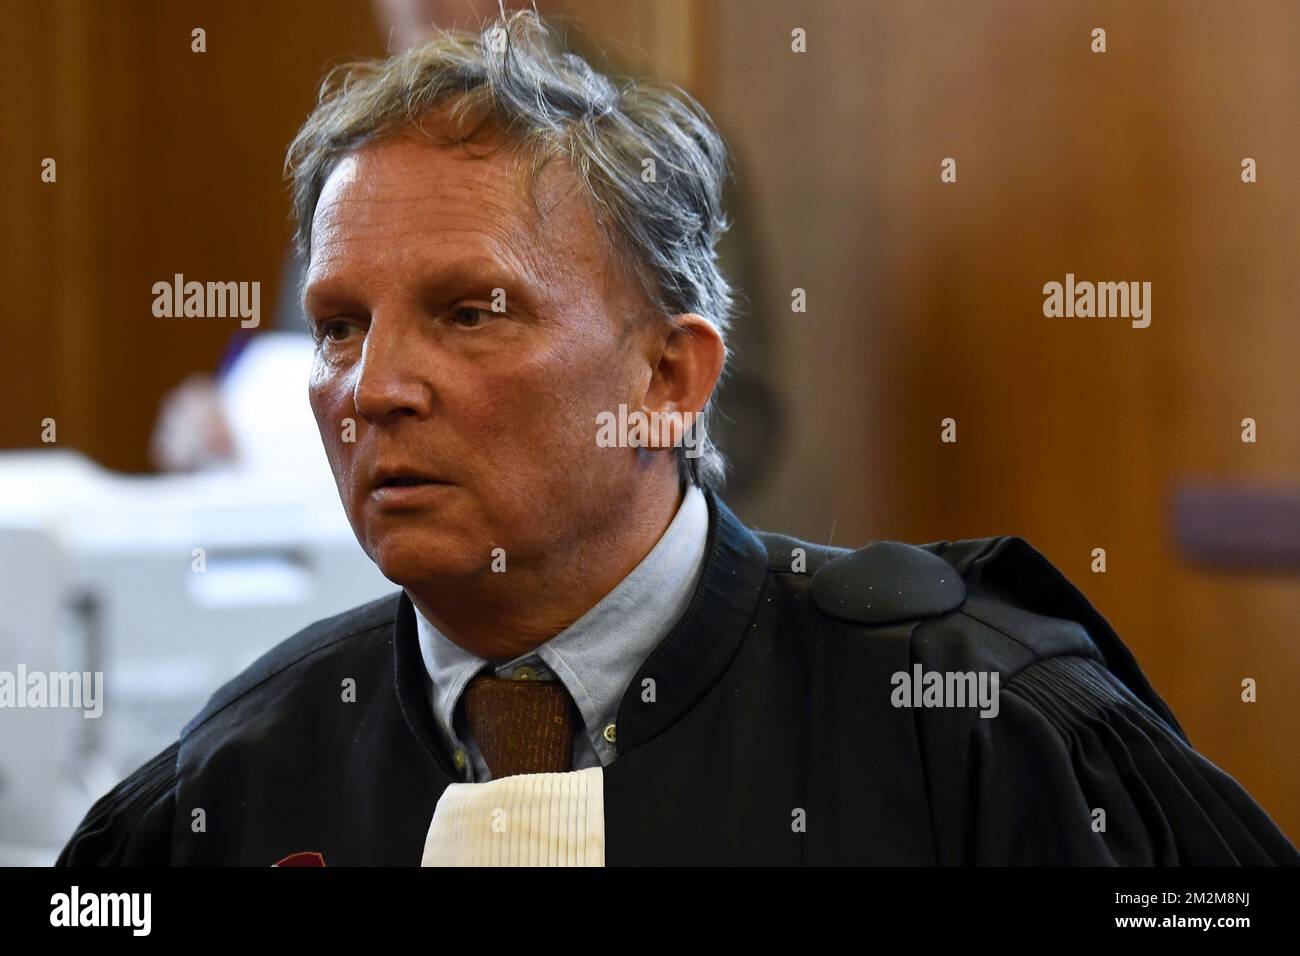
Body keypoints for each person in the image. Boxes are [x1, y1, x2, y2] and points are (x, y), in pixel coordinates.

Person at [58, 11, 1297, 866]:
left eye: (469, 311)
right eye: (336, 327)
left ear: (669, 375)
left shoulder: (982, 724)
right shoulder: (225, 787)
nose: (372, 388)